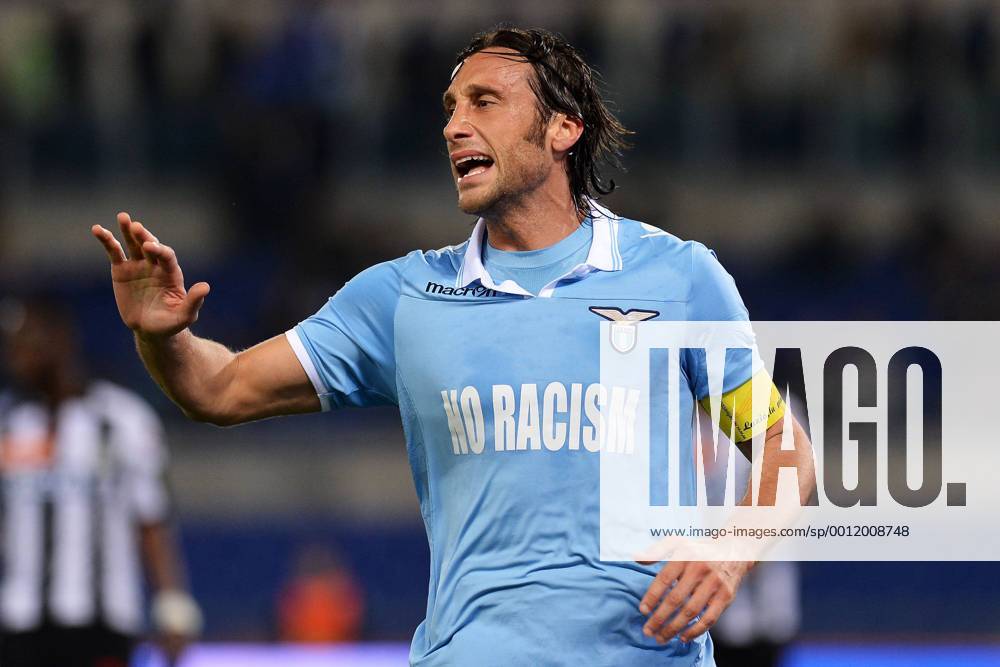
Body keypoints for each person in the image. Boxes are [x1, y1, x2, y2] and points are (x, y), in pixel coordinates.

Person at [92, 26, 813, 666]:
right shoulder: (402, 298)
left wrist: (727, 552)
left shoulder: (678, 278)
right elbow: (219, 389)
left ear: (564, 128)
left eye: (484, 102)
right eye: (450, 108)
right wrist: (165, 340)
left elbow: (786, 448)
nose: (453, 127)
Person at [0, 296, 202, 667]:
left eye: (25, 339)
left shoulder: (122, 420)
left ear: (58, 339)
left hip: (102, 622)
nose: (16, 352)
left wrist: (172, 605)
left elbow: (152, 520)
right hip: (17, 621)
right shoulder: (7, 424)